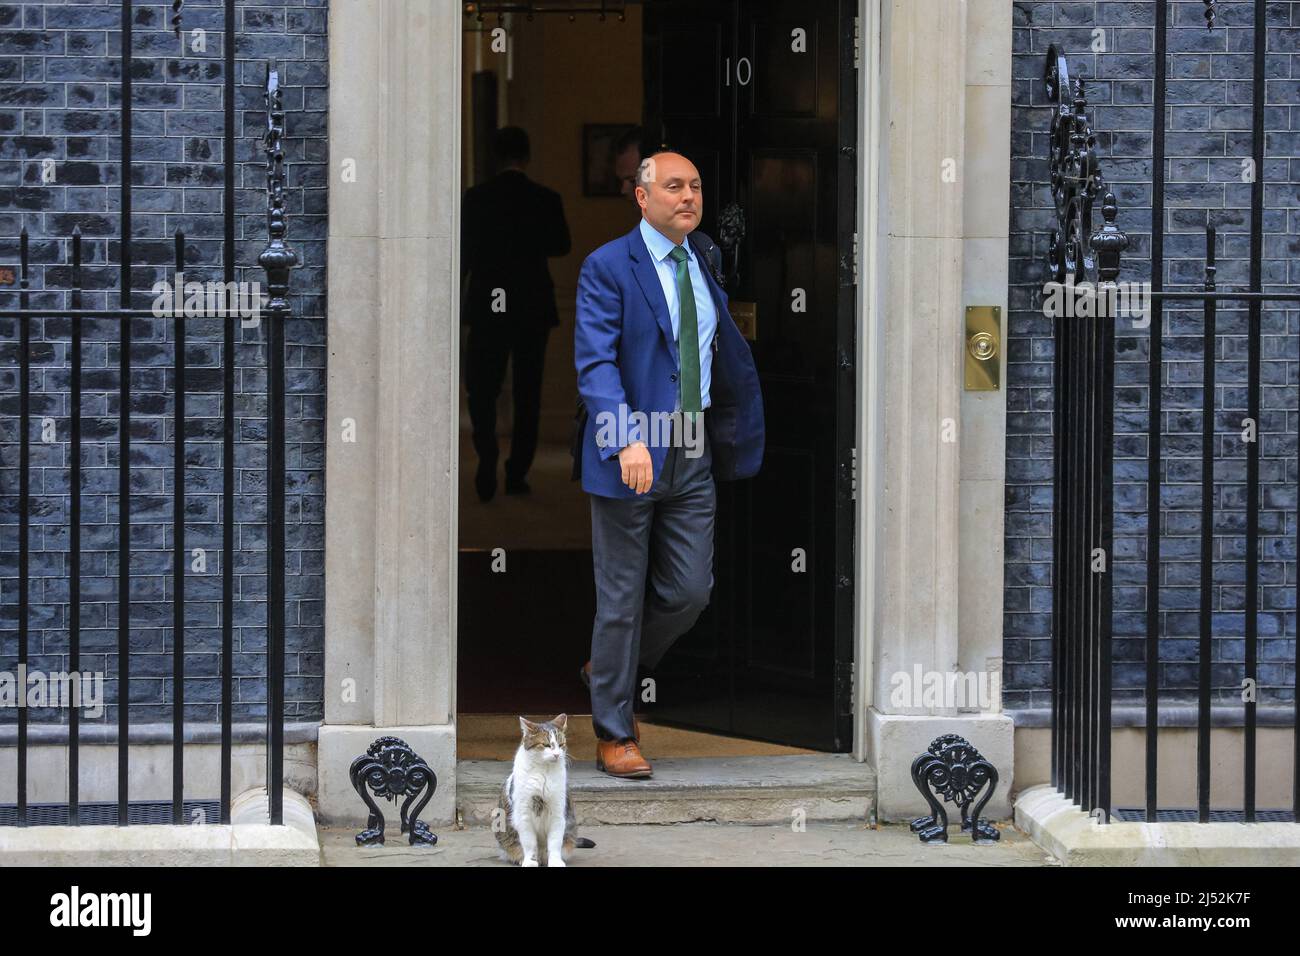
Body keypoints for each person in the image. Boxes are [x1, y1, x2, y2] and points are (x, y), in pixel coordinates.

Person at [573, 151, 765, 778]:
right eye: (674, 186)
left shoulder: (703, 256)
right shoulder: (607, 266)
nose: (688, 196)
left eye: (696, 186)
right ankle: (615, 733)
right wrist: (624, 437)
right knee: (621, 600)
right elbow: (596, 364)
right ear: (641, 197)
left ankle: (609, 668)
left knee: (689, 592)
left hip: (690, 444)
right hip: (632, 448)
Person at [462, 126, 571, 501]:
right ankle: (517, 471)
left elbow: (464, 254)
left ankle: (488, 450)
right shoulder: (545, 198)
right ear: (526, 157)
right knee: (528, 392)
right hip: (530, 304)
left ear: (495, 157)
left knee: (482, 387)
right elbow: (561, 244)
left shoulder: (476, 199)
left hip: (489, 301)